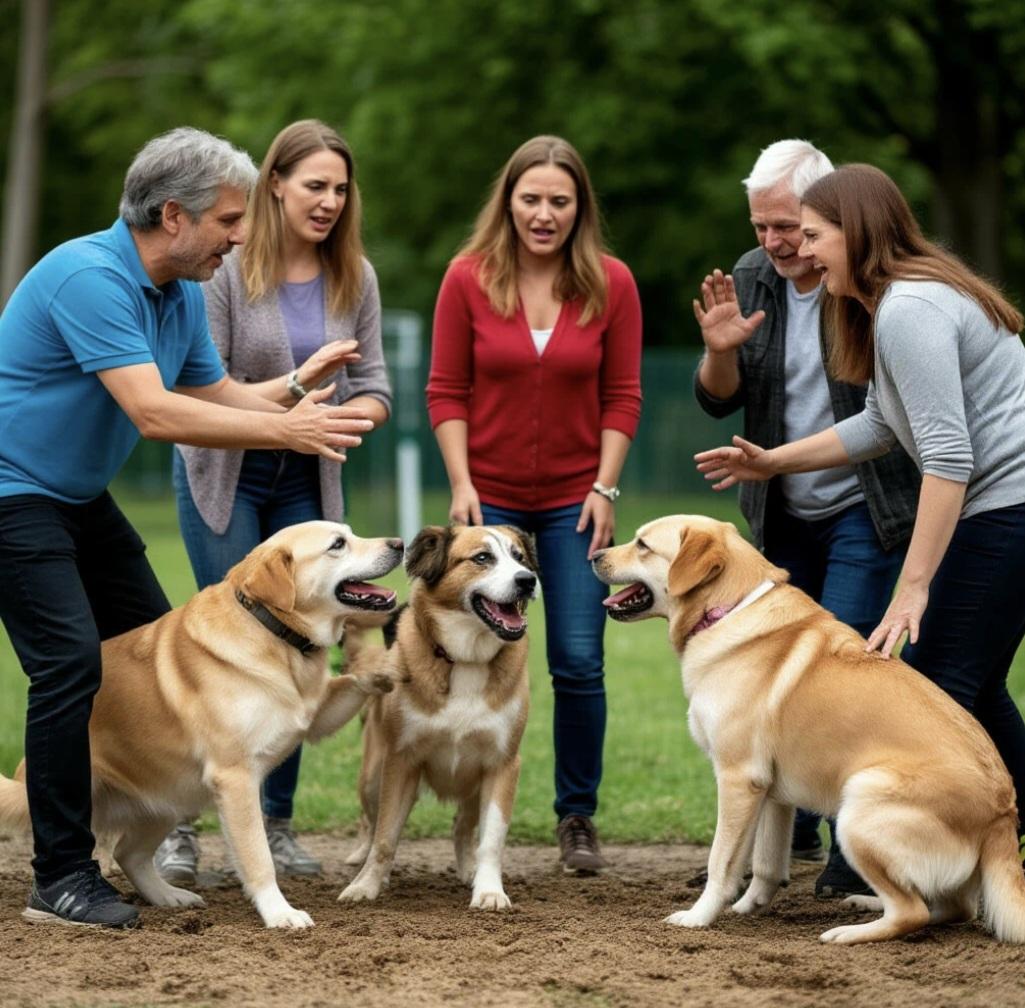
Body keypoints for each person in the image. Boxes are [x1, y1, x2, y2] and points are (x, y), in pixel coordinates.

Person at [0, 127, 376, 929]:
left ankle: (138, 843)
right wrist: (291, 434)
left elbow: (218, 393)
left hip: (74, 494)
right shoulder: (89, 277)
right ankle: (59, 876)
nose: (241, 237)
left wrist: (293, 390)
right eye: (229, 221)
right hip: (11, 493)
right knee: (70, 663)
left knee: (149, 647)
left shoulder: (173, 296)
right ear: (174, 215)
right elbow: (155, 411)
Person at [695, 162, 1025, 833]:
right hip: (1000, 510)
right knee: (974, 681)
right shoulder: (889, 305)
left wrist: (912, 588)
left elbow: (948, 459)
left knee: (934, 680)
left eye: (813, 235)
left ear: (858, 232)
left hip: (1008, 510)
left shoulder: (910, 309)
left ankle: (911, 854)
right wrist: (771, 462)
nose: (803, 251)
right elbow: (878, 424)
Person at [155, 120, 391, 886]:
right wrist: (295, 401)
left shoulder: (354, 276)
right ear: (276, 186)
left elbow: (377, 387)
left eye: (339, 189)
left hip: (306, 484)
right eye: (314, 185)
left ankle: (276, 824)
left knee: (302, 647)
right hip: (224, 474)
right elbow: (203, 385)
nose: (328, 201)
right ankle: (180, 826)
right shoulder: (225, 271)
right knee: (228, 647)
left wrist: (355, 415)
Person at [692, 141, 920, 899]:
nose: (773, 242)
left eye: (788, 226)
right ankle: (771, 847)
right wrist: (718, 352)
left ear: (828, 217)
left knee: (842, 667)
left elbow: (887, 419)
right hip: (779, 513)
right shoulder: (751, 276)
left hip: (863, 505)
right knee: (770, 682)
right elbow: (718, 397)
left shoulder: (861, 284)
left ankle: (849, 854)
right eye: (760, 226)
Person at [426, 135, 642, 874]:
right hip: (487, 503)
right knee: (461, 652)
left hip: (574, 505)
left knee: (577, 661)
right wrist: (460, 484)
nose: (543, 214)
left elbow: (622, 395)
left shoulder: (610, 283)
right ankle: (462, 800)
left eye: (559, 201)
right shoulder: (465, 279)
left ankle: (575, 816)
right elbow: (445, 390)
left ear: (579, 208)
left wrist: (604, 487)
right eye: (530, 199)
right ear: (508, 201)